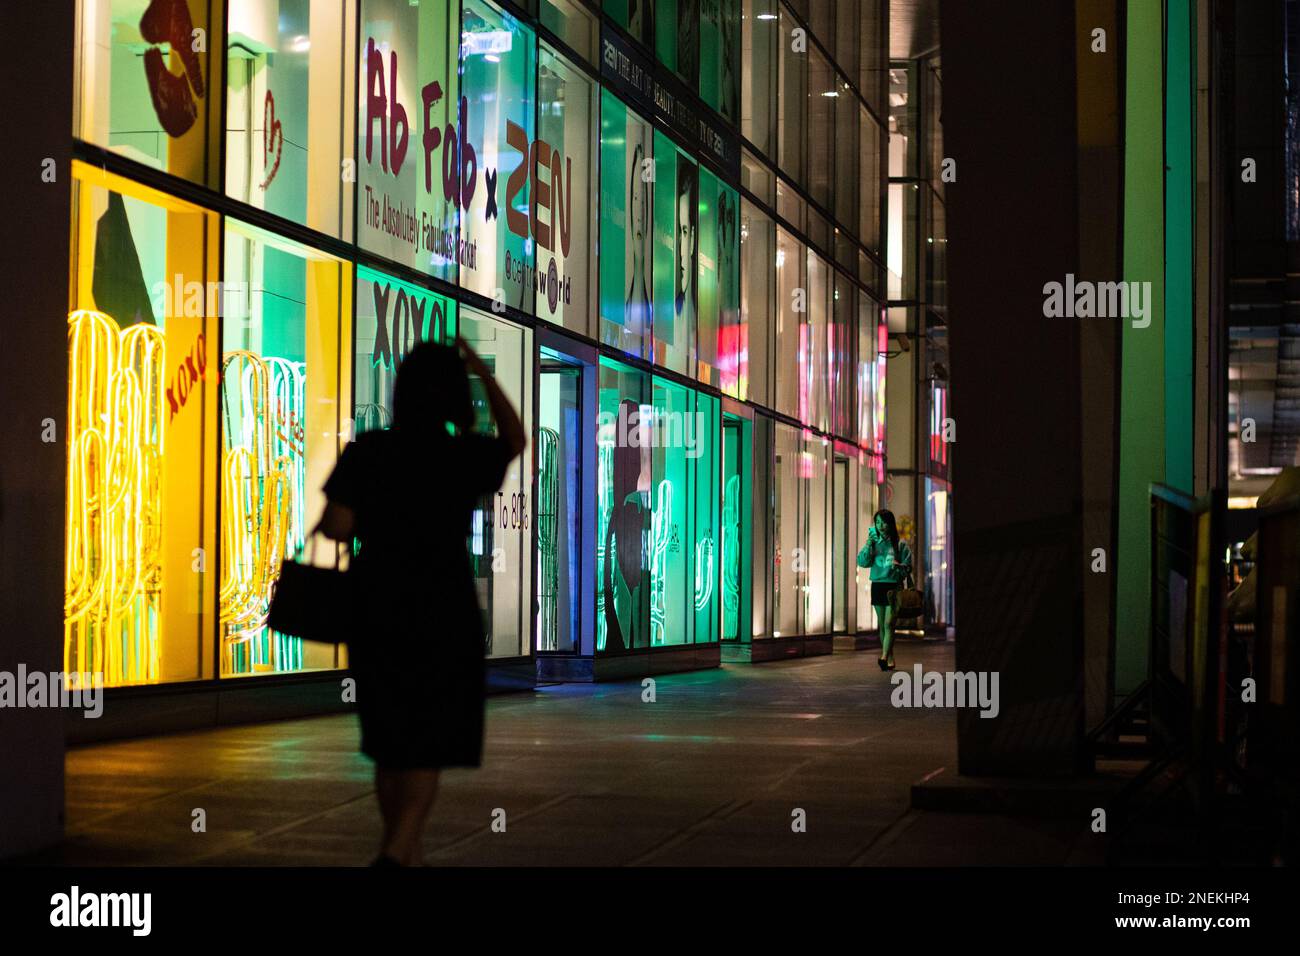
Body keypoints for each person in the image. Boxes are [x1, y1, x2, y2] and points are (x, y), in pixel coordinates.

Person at [318, 339, 526, 867]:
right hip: (444, 609)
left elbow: (338, 527)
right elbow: (515, 437)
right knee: (428, 738)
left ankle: (401, 849)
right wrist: (479, 367)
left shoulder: (369, 450)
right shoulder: (462, 454)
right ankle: (398, 846)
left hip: (377, 607)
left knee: (390, 738)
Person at [857, 510, 913, 672]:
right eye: (878, 522)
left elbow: (908, 567)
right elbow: (862, 562)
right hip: (878, 586)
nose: (881, 526)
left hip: (893, 587)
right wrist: (868, 544)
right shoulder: (874, 543)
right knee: (882, 625)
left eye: (884, 522)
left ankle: (883, 657)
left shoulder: (900, 544)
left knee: (889, 624)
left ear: (891, 523)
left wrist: (899, 566)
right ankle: (889, 656)